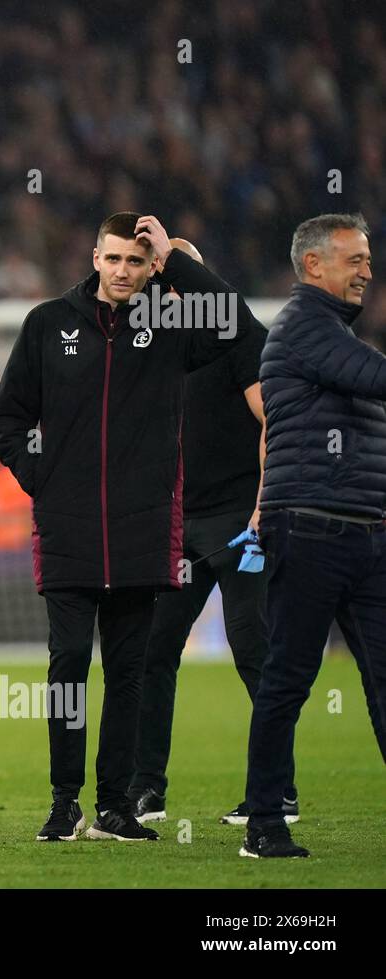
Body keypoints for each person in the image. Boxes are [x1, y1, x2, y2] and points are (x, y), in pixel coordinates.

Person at [0, 212, 252, 843]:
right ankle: (63, 801)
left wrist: (176, 260)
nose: (123, 272)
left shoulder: (169, 324)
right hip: (69, 527)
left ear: (151, 266)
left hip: (142, 527)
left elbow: (241, 328)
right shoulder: (48, 324)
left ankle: (115, 807)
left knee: (129, 670)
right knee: (70, 662)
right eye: (114, 259)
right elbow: (9, 414)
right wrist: (41, 476)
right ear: (95, 257)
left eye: (137, 262)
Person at [126, 240, 295, 827]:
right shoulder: (157, 349)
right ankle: (147, 789)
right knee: (154, 651)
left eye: (177, 277)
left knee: (252, 650)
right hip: (180, 526)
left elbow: (271, 420)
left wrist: (262, 507)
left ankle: (279, 791)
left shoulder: (235, 343)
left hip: (239, 521)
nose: (166, 289)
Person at [241, 213, 385, 859]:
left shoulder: (334, 336)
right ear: (314, 266)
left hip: (363, 532)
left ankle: (267, 814)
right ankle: (264, 822)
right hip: (308, 527)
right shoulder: (304, 328)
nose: (367, 270)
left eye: (368, 259)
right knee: (289, 678)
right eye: (354, 259)